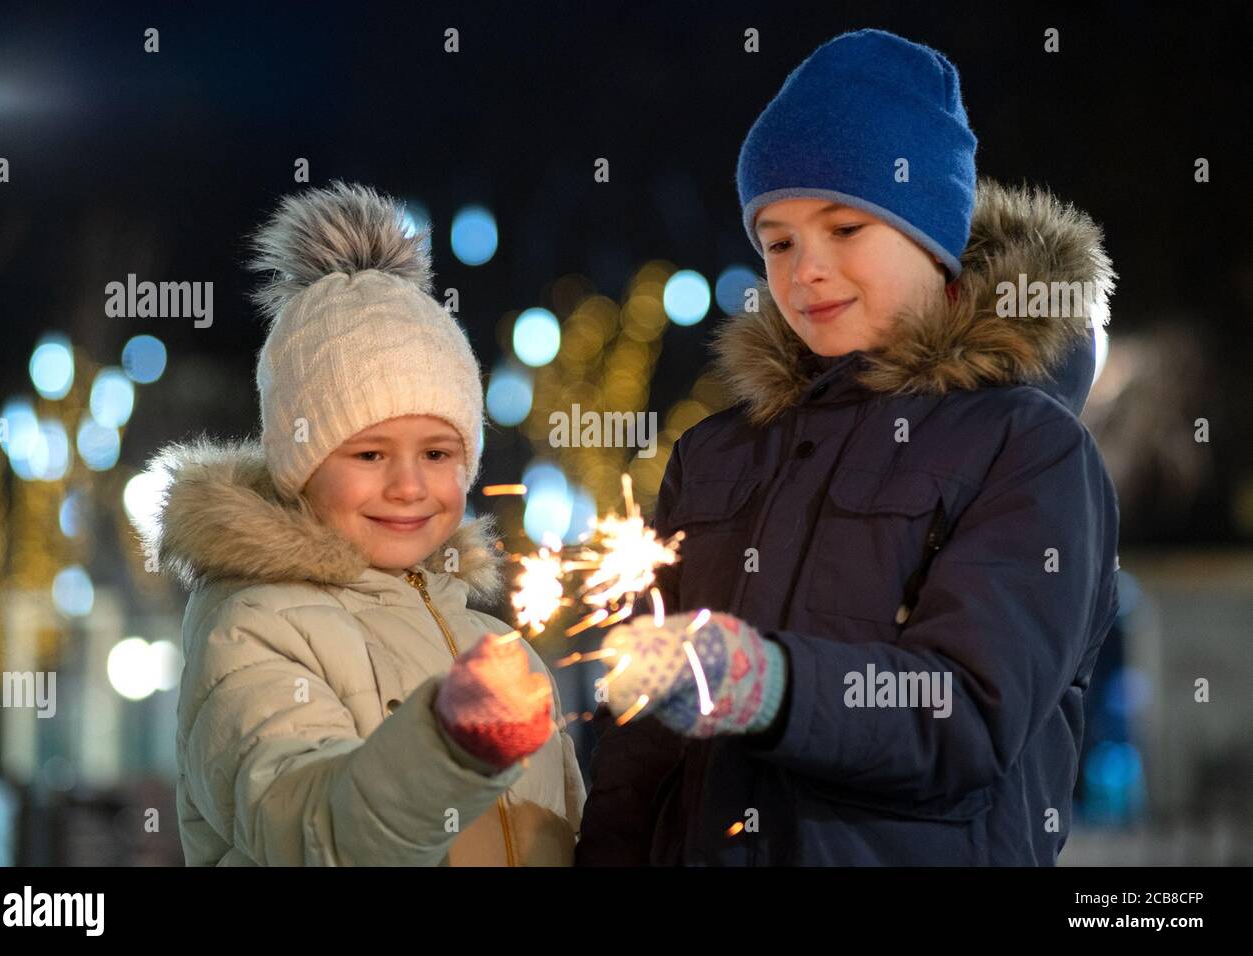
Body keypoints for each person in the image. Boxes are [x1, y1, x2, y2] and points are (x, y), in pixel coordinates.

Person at [576, 28, 1120, 865]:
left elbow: (965, 716)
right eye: (780, 240)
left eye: (846, 228)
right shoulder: (716, 455)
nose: (806, 272)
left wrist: (765, 683)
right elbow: (640, 750)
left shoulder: (1029, 450)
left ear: (932, 236)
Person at [145, 181, 585, 866]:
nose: (408, 485)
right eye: (370, 453)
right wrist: (449, 745)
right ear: (300, 463)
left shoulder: (502, 653)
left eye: (437, 453)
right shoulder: (255, 629)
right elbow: (314, 827)